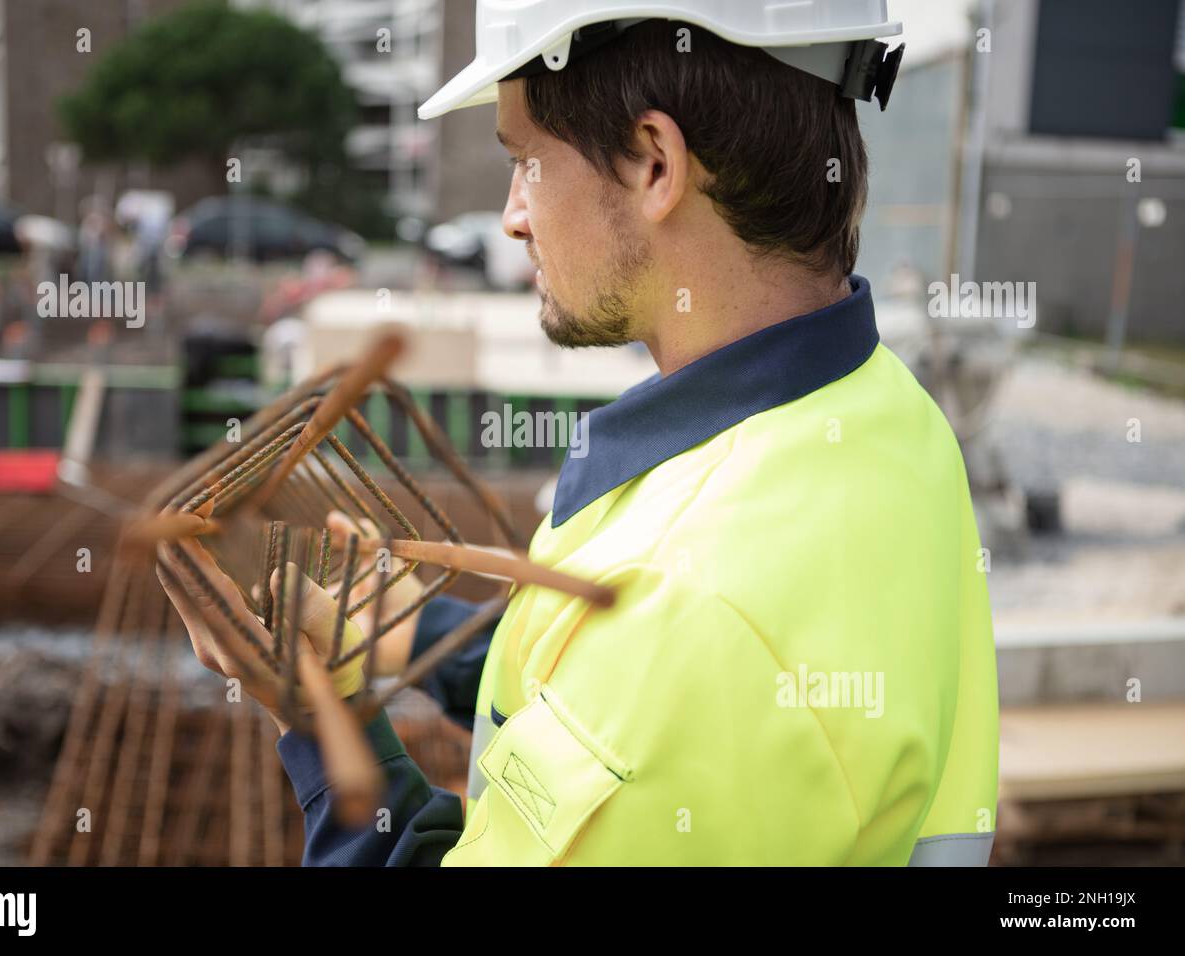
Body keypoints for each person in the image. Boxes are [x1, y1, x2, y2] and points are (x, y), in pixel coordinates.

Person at [159, 0, 999, 866]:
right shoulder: (885, 413)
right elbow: (630, 700)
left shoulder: (697, 616)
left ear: (653, 163)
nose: (513, 217)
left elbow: (669, 675)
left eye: (527, 160)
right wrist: (425, 633)